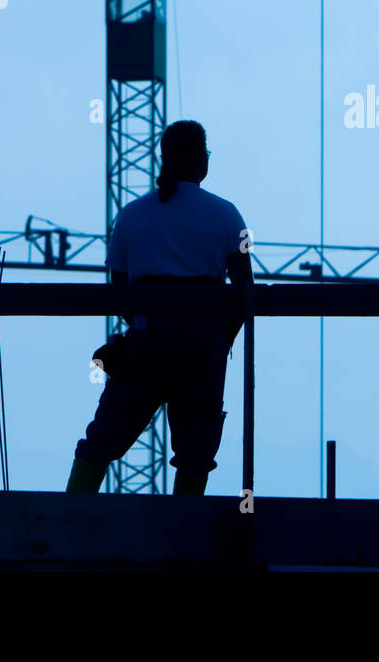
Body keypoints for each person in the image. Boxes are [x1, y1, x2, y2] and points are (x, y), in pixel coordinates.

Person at [65, 120, 253, 496]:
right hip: (202, 345)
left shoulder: (132, 215)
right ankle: (182, 533)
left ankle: (69, 514)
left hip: (147, 342)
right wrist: (220, 338)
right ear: (201, 160)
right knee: (195, 451)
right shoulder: (228, 215)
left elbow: (119, 288)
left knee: (104, 437)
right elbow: (244, 291)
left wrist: (145, 326)